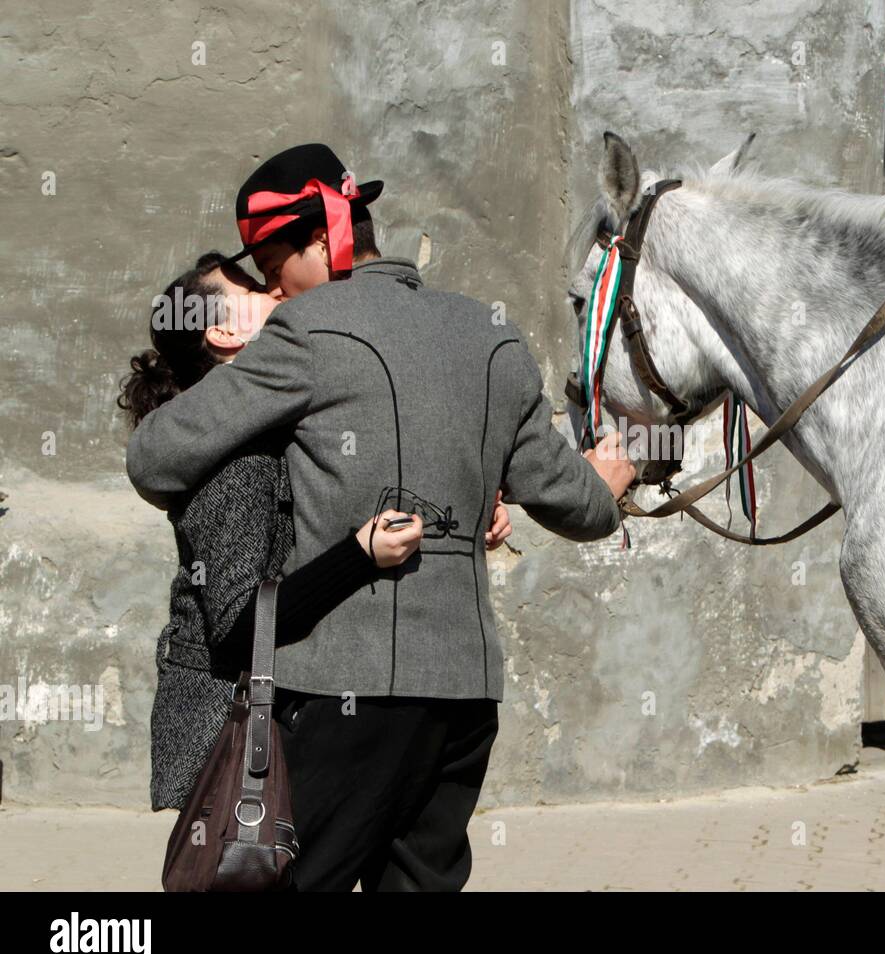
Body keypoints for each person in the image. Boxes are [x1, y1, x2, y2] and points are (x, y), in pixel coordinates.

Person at [126, 143, 635, 891]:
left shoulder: (309, 332)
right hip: (463, 697)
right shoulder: (491, 336)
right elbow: (581, 507)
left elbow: (154, 457)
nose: (276, 291)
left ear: (318, 242)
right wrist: (608, 478)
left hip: (344, 693)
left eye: (272, 271)